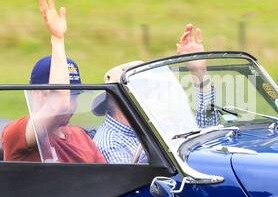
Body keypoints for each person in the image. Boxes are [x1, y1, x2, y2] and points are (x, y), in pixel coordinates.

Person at [92, 24, 222, 163]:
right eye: (144, 89)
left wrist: (199, 72)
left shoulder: (154, 124)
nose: (152, 95)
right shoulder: (110, 143)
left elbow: (207, 134)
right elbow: (138, 183)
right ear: (121, 100)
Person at [1, 0, 106, 164]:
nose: (70, 105)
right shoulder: (15, 134)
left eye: (74, 95)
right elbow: (58, 106)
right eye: (62, 94)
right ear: (36, 93)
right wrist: (57, 39)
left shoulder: (81, 137)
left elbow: (107, 180)